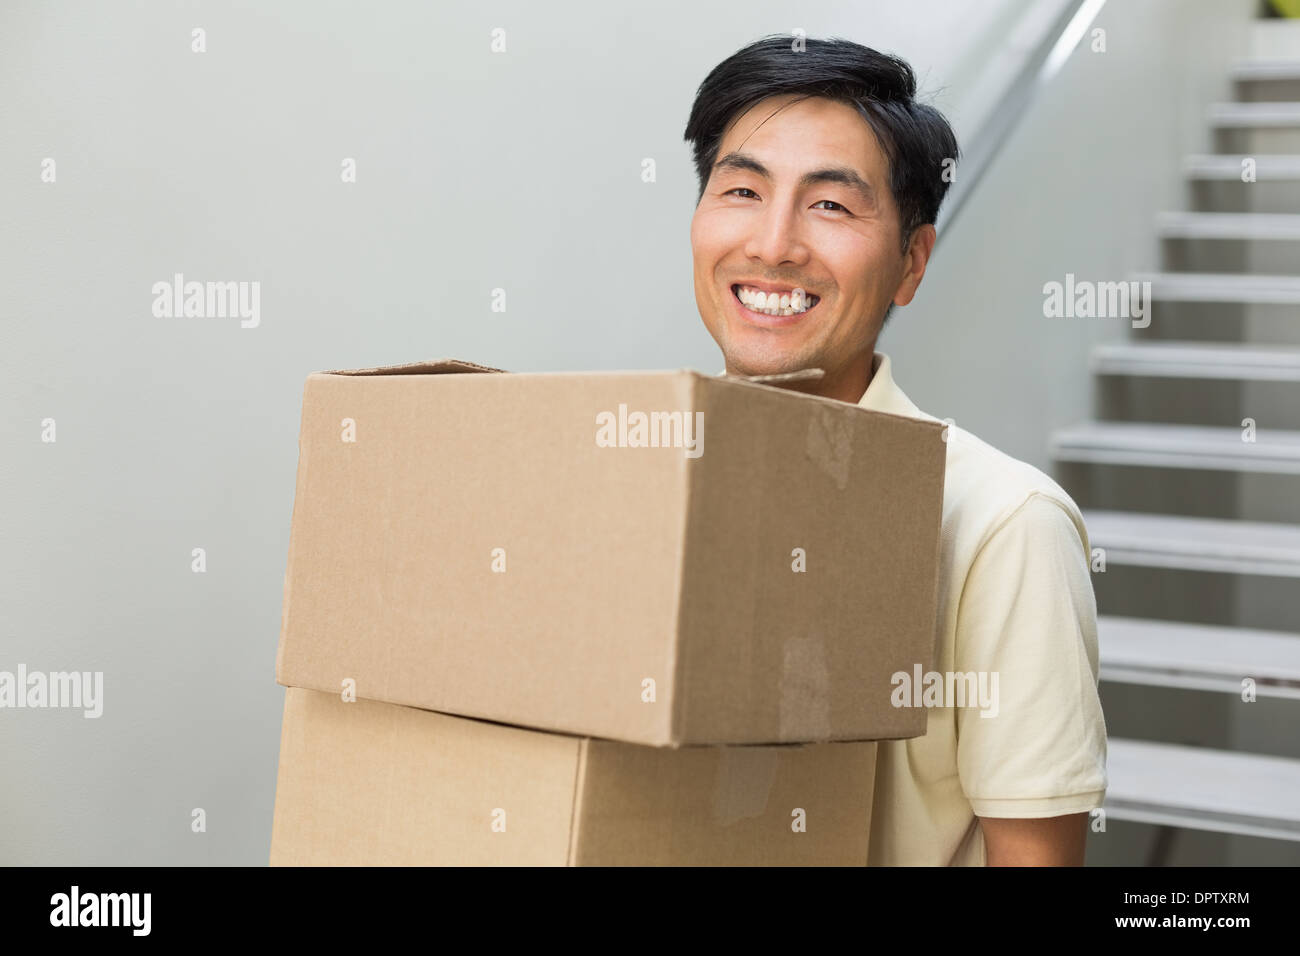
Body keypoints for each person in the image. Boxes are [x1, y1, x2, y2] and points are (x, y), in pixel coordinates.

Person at [684, 34, 1108, 866]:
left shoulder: (1003, 527)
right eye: (741, 189)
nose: (773, 244)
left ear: (911, 264)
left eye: (831, 206)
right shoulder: (641, 476)